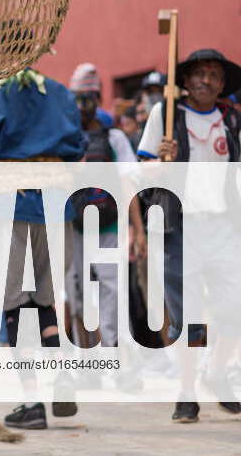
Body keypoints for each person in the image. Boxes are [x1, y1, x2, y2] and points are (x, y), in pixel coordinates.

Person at [0, 67, 85, 430]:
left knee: (13, 304)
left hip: (12, 206)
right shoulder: (61, 93)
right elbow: (76, 151)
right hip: (58, 206)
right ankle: (62, 376)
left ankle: (32, 401)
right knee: (44, 301)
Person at [136, 48, 241, 422]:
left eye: (214, 74)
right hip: (179, 227)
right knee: (187, 316)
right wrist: (161, 160)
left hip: (224, 226)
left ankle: (216, 374)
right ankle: (187, 391)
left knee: (234, 309)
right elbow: (142, 171)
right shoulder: (165, 116)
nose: (206, 80)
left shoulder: (232, 121)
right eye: (199, 73)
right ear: (185, 80)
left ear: (223, 84)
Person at [65, 63, 142, 388]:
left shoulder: (114, 138)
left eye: (89, 97)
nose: (84, 105)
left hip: (108, 226)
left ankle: (113, 356)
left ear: (98, 98)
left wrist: (136, 228)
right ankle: (88, 362)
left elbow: (128, 185)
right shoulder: (65, 141)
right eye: (79, 98)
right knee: (77, 293)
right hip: (74, 227)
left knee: (113, 291)